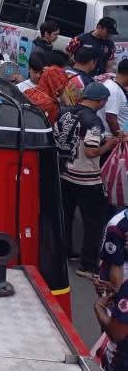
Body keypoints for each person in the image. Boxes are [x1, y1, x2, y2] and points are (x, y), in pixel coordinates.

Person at [57, 83, 118, 278]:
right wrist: (109, 144)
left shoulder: (65, 113)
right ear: (101, 101)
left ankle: (65, 252)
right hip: (86, 179)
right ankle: (88, 265)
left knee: (66, 214)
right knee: (94, 222)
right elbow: (91, 151)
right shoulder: (93, 121)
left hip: (64, 173)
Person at [102, 59, 128, 135]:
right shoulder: (114, 90)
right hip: (113, 139)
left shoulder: (115, 84)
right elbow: (110, 117)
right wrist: (119, 137)